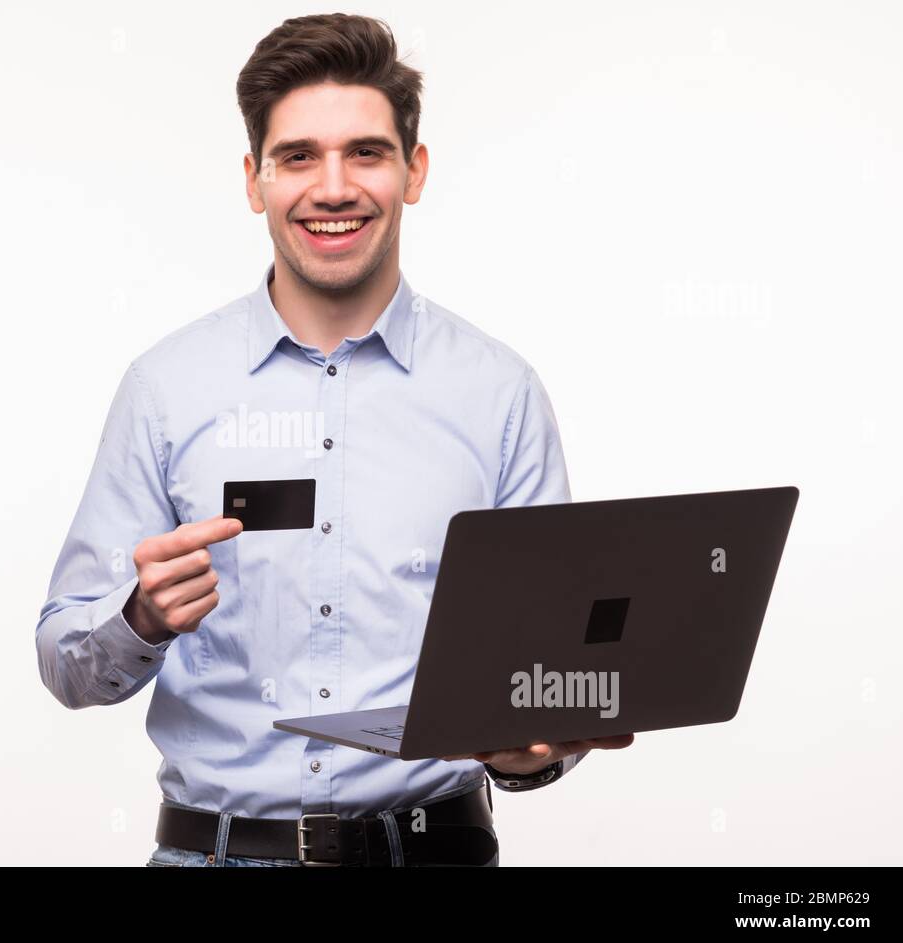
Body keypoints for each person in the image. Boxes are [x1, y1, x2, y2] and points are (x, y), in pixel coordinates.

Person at [36, 12, 633, 867]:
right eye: (298, 157)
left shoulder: (498, 394)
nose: (333, 187)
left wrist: (530, 748)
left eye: (365, 152)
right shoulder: (166, 391)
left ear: (412, 170)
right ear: (255, 180)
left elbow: (548, 678)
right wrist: (140, 615)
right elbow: (65, 661)